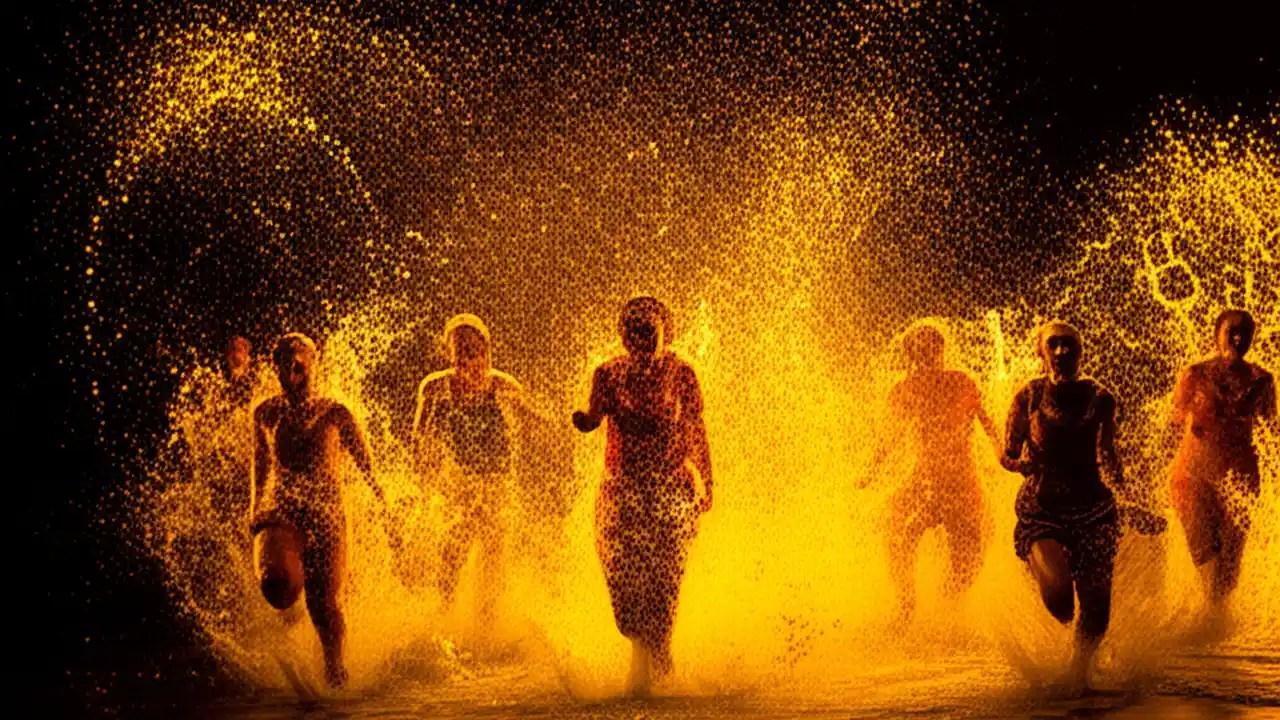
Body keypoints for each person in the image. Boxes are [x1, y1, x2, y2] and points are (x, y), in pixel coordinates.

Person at [572, 296, 713, 695]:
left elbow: (697, 429)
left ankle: (657, 669)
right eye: (634, 332)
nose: (642, 339)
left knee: (664, 584)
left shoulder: (682, 373)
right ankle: (644, 653)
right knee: (624, 588)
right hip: (622, 491)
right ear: (623, 336)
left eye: (649, 330)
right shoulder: (607, 374)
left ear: (666, 332)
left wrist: (708, 480)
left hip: (671, 489)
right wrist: (586, 421)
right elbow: (595, 416)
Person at [250, 333, 393, 688]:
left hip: (328, 514)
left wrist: (385, 504)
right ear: (275, 367)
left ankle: (335, 672)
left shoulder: (335, 413)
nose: (292, 371)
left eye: (299, 364)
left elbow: (367, 466)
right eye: (284, 364)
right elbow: (260, 464)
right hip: (286, 511)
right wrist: (255, 508)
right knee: (278, 583)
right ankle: (290, 620)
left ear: (314, 363)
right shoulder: (267, 413)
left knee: (324, 604)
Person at [1000, 321, 1125, 692]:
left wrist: (1129, 499)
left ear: (1080, 350)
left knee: (1096, 610)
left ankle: (1078, 674)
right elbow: (1007, 454)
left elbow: (1109, 455)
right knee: (1061, 602)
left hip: (1093, 509)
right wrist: (1020, 465)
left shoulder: (1101, 398)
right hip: (1043, 510)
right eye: (1053, 345)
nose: (1061, 351)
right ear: (1041, 353)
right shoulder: (1028, 397)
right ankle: (1041, 569)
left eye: (1068, 344)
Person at [862, 322, 1000, 624]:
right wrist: (870, 472)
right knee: (895, 526)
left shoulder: (961, 382)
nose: (926, 355)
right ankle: (906, 600)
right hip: (924, 480)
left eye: (931, 348)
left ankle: (946, 613)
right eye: (920, 350)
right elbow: (890, 439)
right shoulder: (905, 389)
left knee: (965, 564)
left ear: (941, 350)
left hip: (961, 483)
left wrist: (1004, 456)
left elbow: (988, 424)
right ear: (912, 356)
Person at [413, 314, 539, 632]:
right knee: (454, 544)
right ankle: (444, 612)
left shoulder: (503, 385)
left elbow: (528, 425)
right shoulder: (436, 388)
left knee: (493, 550)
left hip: (497, 482)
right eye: (462, 351)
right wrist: (423, 481)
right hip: (460, 481)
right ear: (450, 354)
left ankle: (488, 622)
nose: (470, 360)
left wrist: (542, 423)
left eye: (476, 350)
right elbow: (419, 437)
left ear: (486, 351)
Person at [1170, 309, 1275, 612]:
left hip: (1239, 478)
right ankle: (1205, 618)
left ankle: (1216, 625)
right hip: (1193, 476)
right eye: (1232, 332)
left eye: (1245, 333)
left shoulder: (1261, 381)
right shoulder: (1196, 375)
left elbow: (1272, 430)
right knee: (1206, 554)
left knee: (1229, 566)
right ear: (1217, 335)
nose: (1238, 339)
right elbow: (1173, 424)